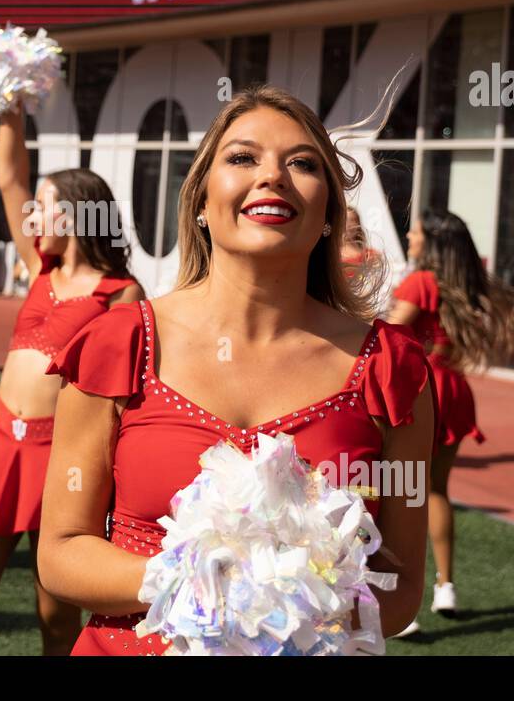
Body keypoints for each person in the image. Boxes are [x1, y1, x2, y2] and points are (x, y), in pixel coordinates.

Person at [37, 85, 435, 655]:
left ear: (328, 214)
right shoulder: (117, 341)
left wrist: (291, 604)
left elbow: (400, 589)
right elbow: (60, 551)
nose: (272, 176)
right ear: (201, 201)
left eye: (301, 163)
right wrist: (192, 584)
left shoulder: (393, 369)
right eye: (243, 157)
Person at [0, 108, 142, 656]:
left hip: (64, 462)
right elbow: (9, 178)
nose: (31, 218)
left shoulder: (123, 292)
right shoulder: (39, 269)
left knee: (56, 617)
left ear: (76, 215)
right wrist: (10, 106)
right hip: (1, 447)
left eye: (43, 208)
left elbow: (131, 391)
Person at [387, 209, 514, 632]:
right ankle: (446, 587)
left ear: (433, 242)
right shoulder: (457, 282)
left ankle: (398, 604)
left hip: (418, 390)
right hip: (455, 389)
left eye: (418, 231)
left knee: (396, 493)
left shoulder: (420, 281)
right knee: (435, 491)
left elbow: (388, 337)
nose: (410, 235)